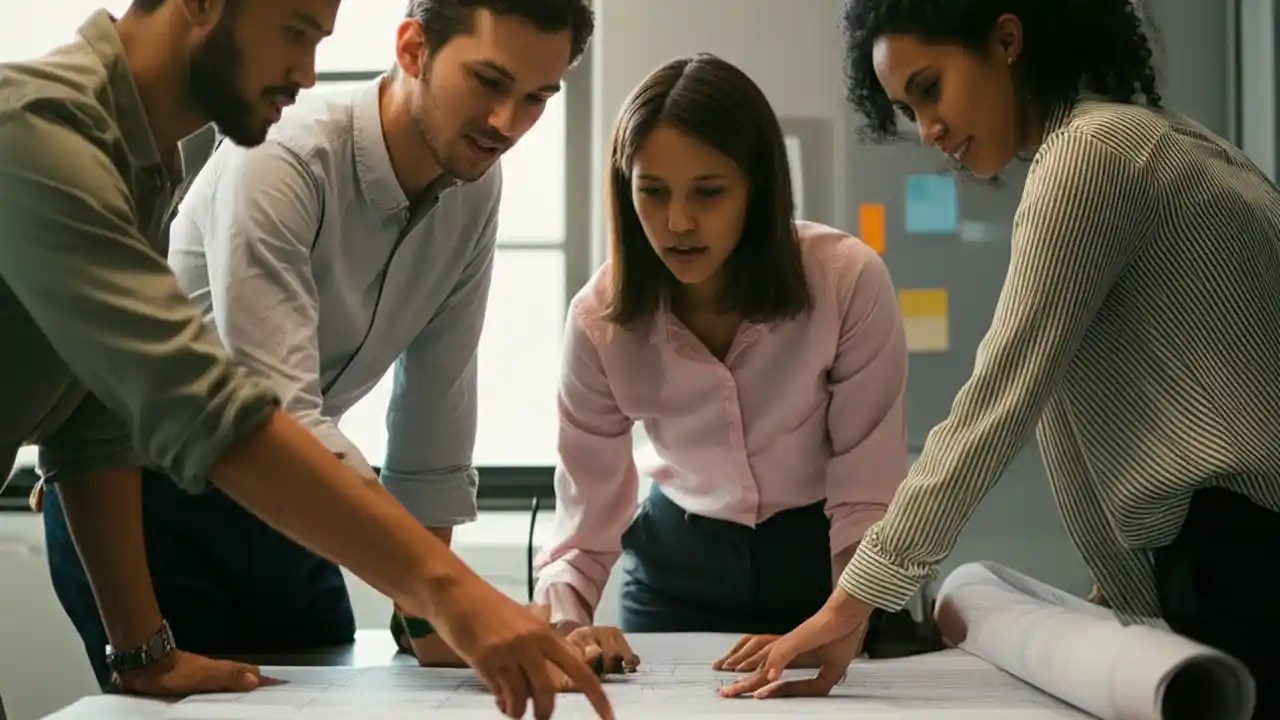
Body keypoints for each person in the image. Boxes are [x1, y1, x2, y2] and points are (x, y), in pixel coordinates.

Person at [0, 2, 610, 718]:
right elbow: (206, 408)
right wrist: (452, 594)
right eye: (295, 32)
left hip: (276, 493)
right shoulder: (41, 130)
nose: (309, 73)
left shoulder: (144, 163)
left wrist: (145, 655)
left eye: (319, 39)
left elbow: (96, 421)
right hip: (190, 494)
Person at [719, 0, 1280, 715]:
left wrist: (852, 602)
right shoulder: (1157, 140)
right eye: (907, 110)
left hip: (1246, 564)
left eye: (930, 88)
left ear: (1006, 40)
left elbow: (1000, 399)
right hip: (1233, 556)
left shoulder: (1094, 155)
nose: (928, 129)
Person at [532, 52, 912, 673]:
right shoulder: (599, 320)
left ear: (755, 190)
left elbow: (866, 492)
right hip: (676, 569)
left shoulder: (846, 281)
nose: (678, 222)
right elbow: (584, 523)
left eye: (708, 192)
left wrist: (846, 617)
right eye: (652, 192)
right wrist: (568, 631)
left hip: (826, 561)